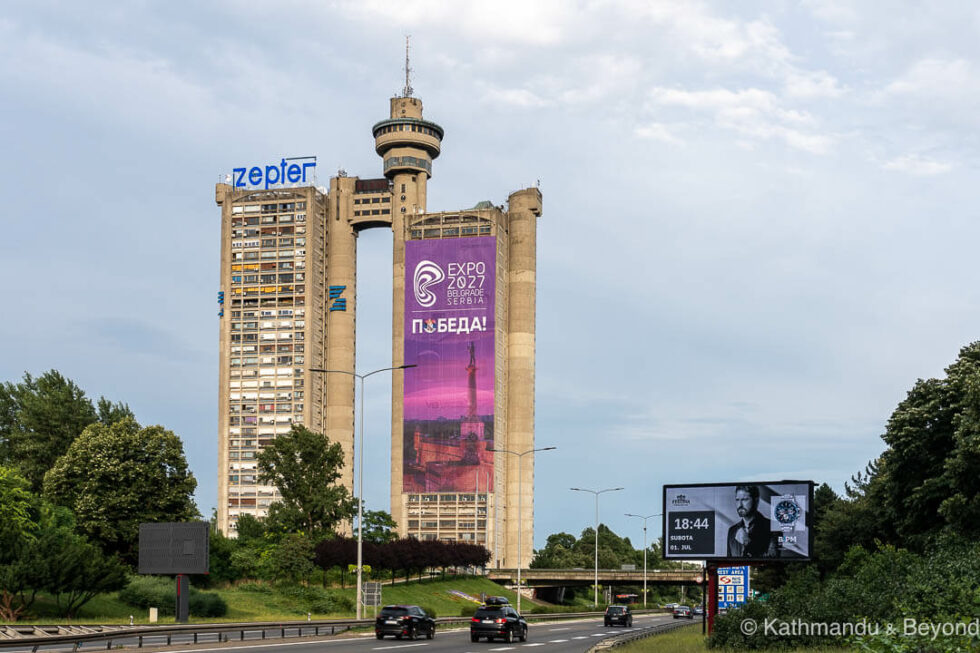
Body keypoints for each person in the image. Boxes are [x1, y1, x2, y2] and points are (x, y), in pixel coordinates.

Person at [726, 485, 778, 558]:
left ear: (756, 501)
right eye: (737, 500)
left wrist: (747, 543)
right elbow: (729, 561)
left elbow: (773, 559)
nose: (740, 505)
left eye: (745, 499)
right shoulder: (732, 531)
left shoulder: (772, 527)